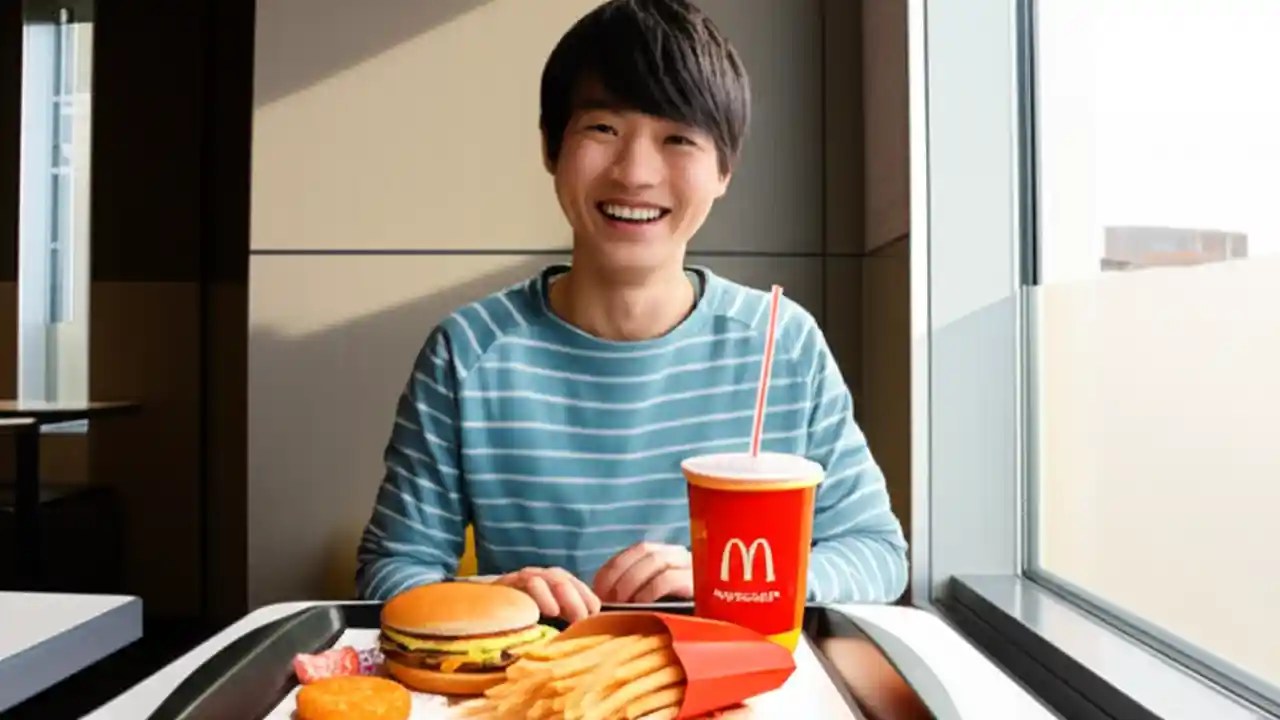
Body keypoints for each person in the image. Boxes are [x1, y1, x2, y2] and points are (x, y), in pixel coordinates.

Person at [355, 0, 908, 621]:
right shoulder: (467, 351)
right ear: (549, 146)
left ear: (725, 170)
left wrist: (722, 574)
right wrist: (491, 595)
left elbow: (877, 553)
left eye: (678, 138)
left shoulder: (783, 342)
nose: (635, 173)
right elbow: (390, 567)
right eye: (602, 130)